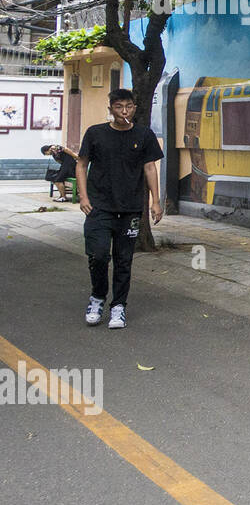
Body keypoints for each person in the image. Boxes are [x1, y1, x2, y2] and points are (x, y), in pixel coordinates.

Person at [76, 89, 164, 330]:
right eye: (119, 107)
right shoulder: (95, 134)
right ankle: (97, 298)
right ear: (111, 109)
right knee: (99, 255)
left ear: (135, 108)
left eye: (128, 106)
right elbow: (82, 165)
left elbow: (150, 168)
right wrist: (83, 197)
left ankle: (119, 306)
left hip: (131, 209)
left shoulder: (144, 135)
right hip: (99, 207)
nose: (124, 111)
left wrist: (155, 201)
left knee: (124, 260)